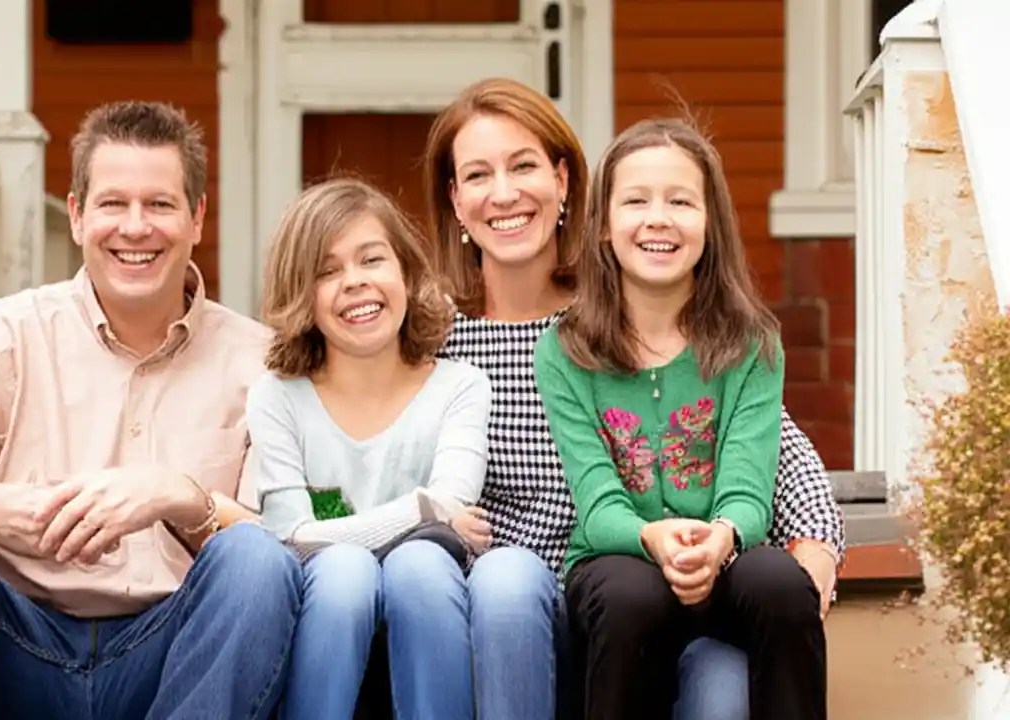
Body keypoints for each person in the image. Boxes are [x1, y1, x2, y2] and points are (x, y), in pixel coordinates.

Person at [0, 100, 302, 720]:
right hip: (13, 641)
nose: (136, 227)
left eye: (161, 204)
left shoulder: (262, 362)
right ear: (76, 215)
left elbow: (287, 548)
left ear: (197, 217)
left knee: (257, 560)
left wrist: (176, 496)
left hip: (171, 655)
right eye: (114, 203)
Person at [423, 77, 844, 719]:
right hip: (529, 618)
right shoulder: (432, 344)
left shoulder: (646, 314)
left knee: (722, 684)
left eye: (525, 166)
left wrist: (814, 544)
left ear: (566, 182)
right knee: (533, 591)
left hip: (678, 590)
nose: (504, 193)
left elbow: (774, 457)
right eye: (479, 175)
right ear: (455, 199)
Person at [534, 116, 826, 719]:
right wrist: (650, 536)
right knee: (628, 593)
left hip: (725, 560)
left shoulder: (752, 345)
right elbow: (597, 499)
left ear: (710, 225)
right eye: (635, 201)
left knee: (778, 581)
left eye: (681, 201)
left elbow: (747, 487)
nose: (658, 219)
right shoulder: (566, 350)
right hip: (617, 563)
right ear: (605, 229)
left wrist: (721, 538)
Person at [248, 177, 493, 720]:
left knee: (421, 563)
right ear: (301, 296)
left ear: (405, 272)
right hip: (324, 625)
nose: (354, 283)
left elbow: (454, 496)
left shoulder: (461, 386)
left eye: (371, 260)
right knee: (344, 573)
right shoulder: (276, 398)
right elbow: (289, 539)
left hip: (432, 622)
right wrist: (423, 509)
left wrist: (432, 514)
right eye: (327, 272)